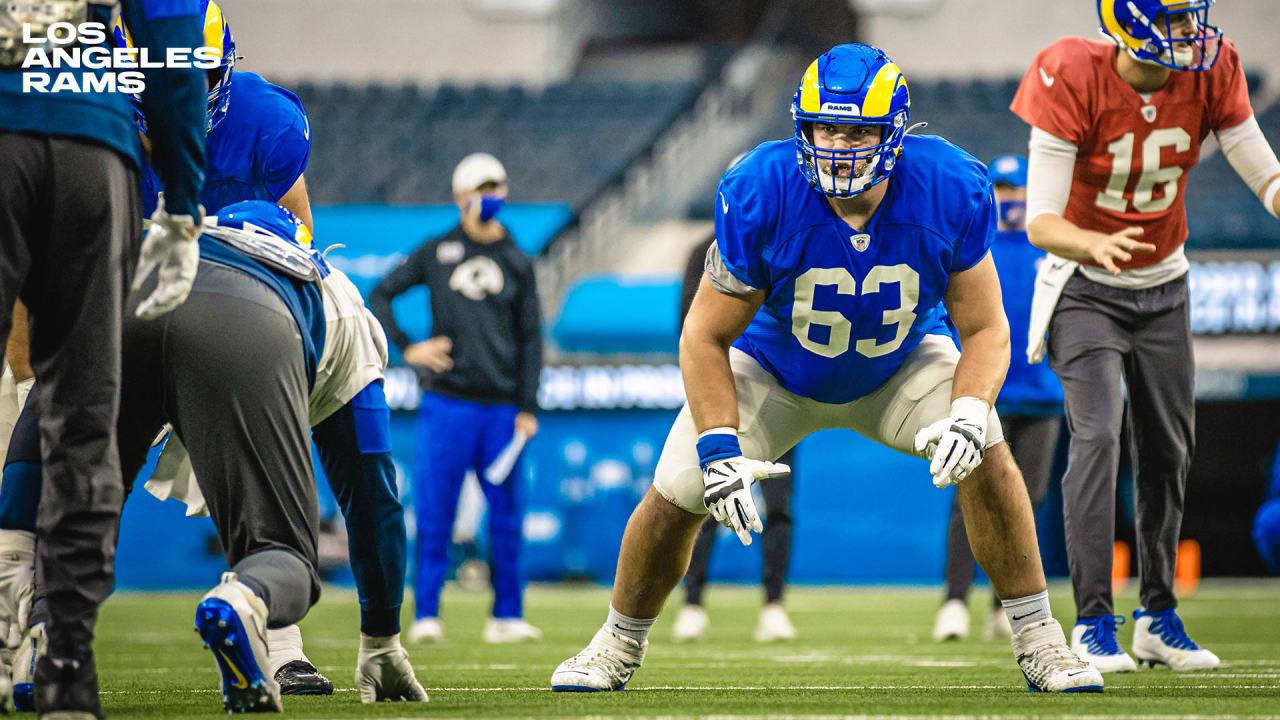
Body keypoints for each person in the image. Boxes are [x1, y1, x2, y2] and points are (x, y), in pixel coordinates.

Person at [550, 43, 1102, 695]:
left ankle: (1041, 642)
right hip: (775, 369)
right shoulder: (762, 187)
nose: (839, 145)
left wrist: (968, 410)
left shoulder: (949, 184)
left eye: (858, 130)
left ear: (893, 133)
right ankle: (614, 644)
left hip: (898, 363)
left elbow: (984, 327)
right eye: (826, 127)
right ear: (802, 126)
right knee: (676, 488)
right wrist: (720, 444)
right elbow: (703, 334)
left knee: (987, 452)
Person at [0, 0, 333, 696]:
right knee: (74, 441)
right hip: (130, 270)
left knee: (80, 438)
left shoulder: (262, 120)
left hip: (199, 286)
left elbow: (294, 230)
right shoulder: (110, 108)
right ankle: (49, 645)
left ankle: (275, 642)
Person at [1012, 0, 1280, 672]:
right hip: (1084, 286)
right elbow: (1041, 223)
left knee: (1168, 447)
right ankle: (1094, 622)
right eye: (1179, 21)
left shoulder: (1212, 71)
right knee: (1098, 436)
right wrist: (1093, 243)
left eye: (1196, 18)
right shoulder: (1072, 71)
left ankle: (1158, 616)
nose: (1195, 35)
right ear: (1130, 23)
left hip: (1165, 284)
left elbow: (1265, 172)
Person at [0, 2, 207, 716]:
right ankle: (65, 666)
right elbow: (170, 30)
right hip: (90, 136)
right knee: (84, 416)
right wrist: (182, 200)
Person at [370, 152, 544, 645]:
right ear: (461, 195)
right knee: (434, 514)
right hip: (447, 405)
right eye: (483, 186)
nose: (492, 196)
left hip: (503, 411)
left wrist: (528, 406)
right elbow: (379, 295)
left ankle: (506, 615)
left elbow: (532, 337)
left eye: (498, 185)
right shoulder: (438, 249)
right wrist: (409, 349)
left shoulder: (517, 258)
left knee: (507, 518)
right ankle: (426, 613)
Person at [933, 155, 1064, 643]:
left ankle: (1001, 608)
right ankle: (954, 602)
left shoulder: (1049, 248)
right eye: (1002, 190)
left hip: (1043, 396)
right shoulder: (973, 245)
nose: (1010, 199)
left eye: (1017, 190)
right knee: (966, 497)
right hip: (983, 395)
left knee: (1026, 502)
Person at [670, 232, 797, 644]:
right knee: (703, 498)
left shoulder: (786, 240)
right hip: (721, 389)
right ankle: (692, 603)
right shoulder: (703, 249)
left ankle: (774, 605)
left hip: (778, 388)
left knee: (779, 504)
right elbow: (692, 331)